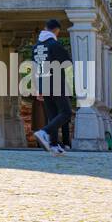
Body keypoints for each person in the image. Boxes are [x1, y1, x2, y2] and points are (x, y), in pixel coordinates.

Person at [31, 18, 72, 155]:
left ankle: (54, 145)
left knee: (52, 115)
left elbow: (35, 68)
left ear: (45, 28)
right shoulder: (54, 44)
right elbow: (67, 63)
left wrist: (38, 88)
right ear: (56, 31)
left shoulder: (36, 47)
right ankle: (44, 132)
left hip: (43, 82)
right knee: (66, 112)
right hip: (55, 81)